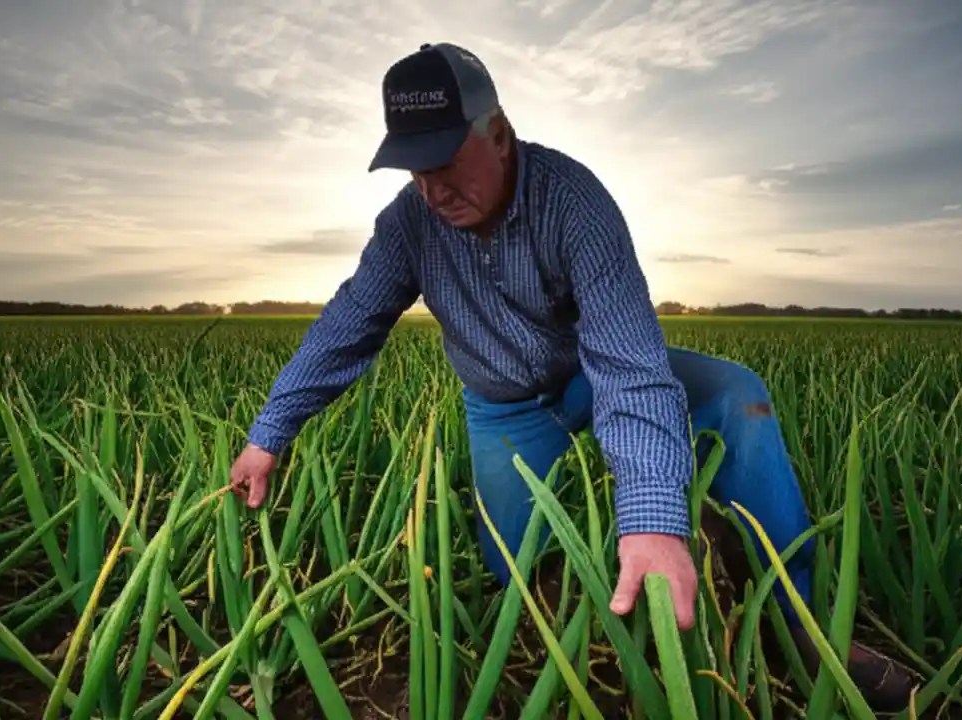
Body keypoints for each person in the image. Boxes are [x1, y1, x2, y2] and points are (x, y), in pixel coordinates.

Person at [229, 42, 915, 710]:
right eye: (415, 169)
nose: (434, 188)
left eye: (446, 159)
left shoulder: (574, 201)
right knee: (517, 578)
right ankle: (594, 637)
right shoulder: (409, 224)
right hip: (506, 407)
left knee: (739, 397)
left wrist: (652, 518)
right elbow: (347, 325)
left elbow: (629, 363)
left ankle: (803, 627)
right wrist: (268, 434)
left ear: (498, 133)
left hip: (593, 372)